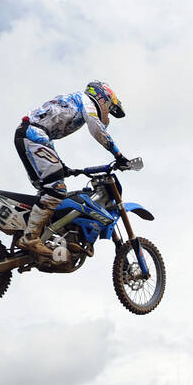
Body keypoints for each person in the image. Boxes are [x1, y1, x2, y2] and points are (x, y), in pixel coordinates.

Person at [14, 81, 129, 257]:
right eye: (110, 108)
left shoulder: (74, 101)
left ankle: (38, 236)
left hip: (32, 135)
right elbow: (97, 129)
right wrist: (118, 155)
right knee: (57, 189)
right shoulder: (86, 101)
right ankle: (30, 238)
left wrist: (63, 167)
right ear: (103, 97)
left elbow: (47, 135)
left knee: (47, 189)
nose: (108, 115)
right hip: (33, 135)